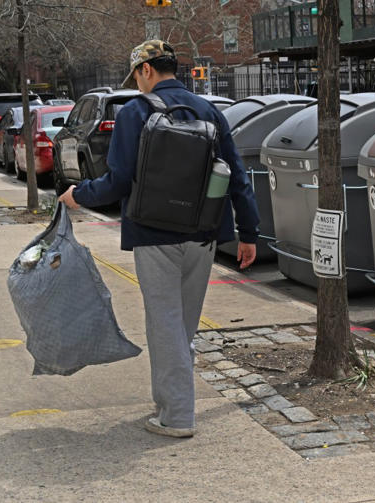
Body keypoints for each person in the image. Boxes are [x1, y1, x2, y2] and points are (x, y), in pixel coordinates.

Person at [59, 40, 259, 438]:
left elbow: (117, 180)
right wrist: (248, 233)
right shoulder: (208, 110)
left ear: (146, 70)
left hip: (154, 234)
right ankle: (169, 398)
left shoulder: (135, 113)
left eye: (136, 74)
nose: (137, 82)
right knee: (182, 324)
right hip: (203, 235)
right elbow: (237, 175)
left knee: (164, 324)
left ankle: (177, 415)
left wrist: (77, 195)